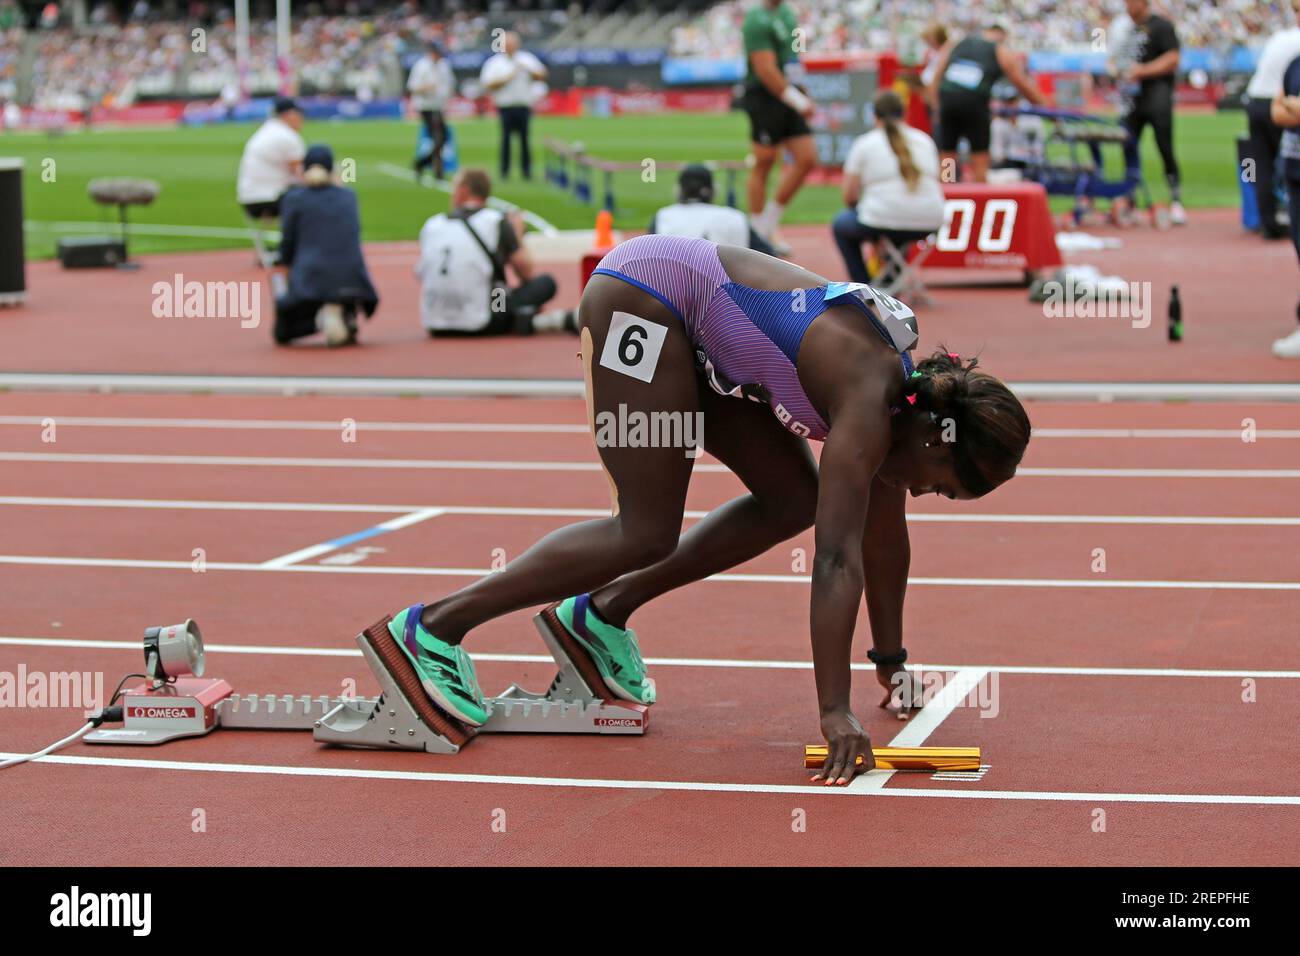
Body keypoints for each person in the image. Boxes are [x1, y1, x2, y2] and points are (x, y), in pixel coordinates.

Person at [373, 233, 1031, 785]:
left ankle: (597, 617)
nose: (921, 494)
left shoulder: (907, 409)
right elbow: (836, 559)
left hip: (702, 338)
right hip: (645, 298)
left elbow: (886, 545)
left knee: (792, 500)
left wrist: (891, 663)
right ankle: (429, 629)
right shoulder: (868, 397)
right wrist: (835, 712)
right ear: (937, 439)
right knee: (644, 530)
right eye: (941, 486)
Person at [416, 167, 571, 336]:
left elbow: (421, 273)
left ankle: (525, 316)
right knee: (545, 284)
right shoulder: (495, 222)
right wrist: (517, 235)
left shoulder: (432, 225)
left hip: (434, 322)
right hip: (485, 321)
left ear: (463, 191)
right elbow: (526, 273)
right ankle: (533, 319)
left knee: (499, 289)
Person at [832, 90, 945, 286]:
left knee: (842, 224)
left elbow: (849, 196)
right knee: (899, 221)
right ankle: (892, 283)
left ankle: (864, 285)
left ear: (874, 115)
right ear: (904, 113)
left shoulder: (865, 144)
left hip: (882, 219)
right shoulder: (925, 141)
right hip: (930, 221)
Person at [272, 144, 379, 347]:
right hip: (353, 280)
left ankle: (319, 317)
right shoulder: (349, 196)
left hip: (311, 278)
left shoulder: (293, 199)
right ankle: (341, 312)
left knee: (283, 331)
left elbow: (287, 244)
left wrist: (283, 275)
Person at [740, 0, 817, 253]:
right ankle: (758, 232)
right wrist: (798, 100)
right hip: (764, 96)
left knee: (806, 158)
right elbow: (765, 69)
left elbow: (792, 57)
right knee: (765, 160)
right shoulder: (755, 20)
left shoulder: (786, 13)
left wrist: (801, 90)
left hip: (788, 90)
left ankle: (766, 228)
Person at [931, 21, 1046, 183]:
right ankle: (979, 196)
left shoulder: (956, 44)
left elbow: (936, 77)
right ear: (1001, 35)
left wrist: (937, 108)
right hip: (974, 105)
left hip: (948, 102)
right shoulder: (999, 50)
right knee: (979, 156)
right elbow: (1022, 83)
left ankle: (947, 191)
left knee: (948, 154)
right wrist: (1044, 105)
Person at [1113, 0, 1184, 225]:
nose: (1126, 7)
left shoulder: (1162, 26)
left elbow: (1173, 58)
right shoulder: (1128, 30)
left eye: (1130, 2)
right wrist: (1117, 69)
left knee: (1164, 145)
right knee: (1128, 145)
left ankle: (1175, 200)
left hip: (1157, 97)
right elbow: (1118, 60)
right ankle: (1131, 198)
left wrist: (1142, 71)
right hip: (1132, 99)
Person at [1244, 2, 1300, 241]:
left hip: (1255, 99)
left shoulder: (1282, 36)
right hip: (1273, 102)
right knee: (1280, 163)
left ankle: (1267, 222)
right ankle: (1281, 216)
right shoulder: (1295, 43)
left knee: (1260, 167)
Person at [236, 96, 306, 266]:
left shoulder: (268, 130)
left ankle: (286, 250)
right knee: (316, 199)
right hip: (269, 198)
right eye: (299, 115)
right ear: (289, 115)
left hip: (250, 198)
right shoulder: (286, 136)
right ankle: (296, 251)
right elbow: (302, 175)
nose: (302, 119)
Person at [648, 164, 778, 255]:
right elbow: (769, 254)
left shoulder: (662, 217)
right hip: (728, 293)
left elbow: (644, 259)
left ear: (680, 191)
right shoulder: (734, 216)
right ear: (713, 191)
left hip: (672, 293)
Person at [479, 31, 546, 181]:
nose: (510, 47)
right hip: (505, 107)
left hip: (523, 106)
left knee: (524, 140)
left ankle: (526, 171)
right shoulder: (495, 62)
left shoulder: (527, 59)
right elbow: (488, 84)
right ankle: (504, 171)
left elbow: (542, 75)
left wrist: (527, 70)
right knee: (505, 140)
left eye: (512, 44)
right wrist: (507, 78)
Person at [1269, 53, 1300, 359]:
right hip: (1293, 169)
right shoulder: (1294, 63)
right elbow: (1277, 113)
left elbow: (1286, 105)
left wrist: (1291, 104)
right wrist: (1292, 106)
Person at [407, 39, 455, 182]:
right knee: (439, 137)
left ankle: (424, 164)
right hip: (426, 106)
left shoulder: (444, 65)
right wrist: (427, 88)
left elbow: (449, 84)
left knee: (441, 137)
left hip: (439, 106)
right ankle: (435, 170)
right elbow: (413, 87)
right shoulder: (421, 66)